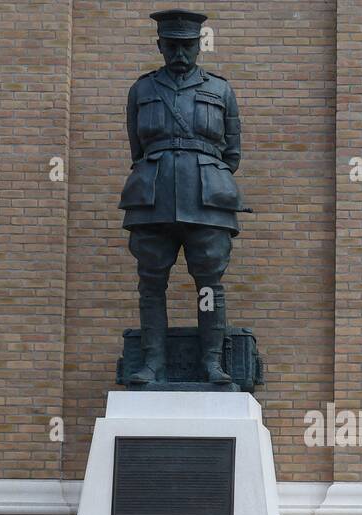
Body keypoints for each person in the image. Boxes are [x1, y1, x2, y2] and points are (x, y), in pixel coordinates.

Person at [119, 8, 244, 386]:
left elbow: (233, 152)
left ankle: (211, 362)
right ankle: (152, 363)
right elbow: (137, 148)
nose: (180, 54)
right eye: (172, 46)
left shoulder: (221, 90)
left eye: (187, 46)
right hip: (153, 199)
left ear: (198, 46)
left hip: (208, 202)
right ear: (160, 46)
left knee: (209, 284)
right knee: (151, 284)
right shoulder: (142, 89)